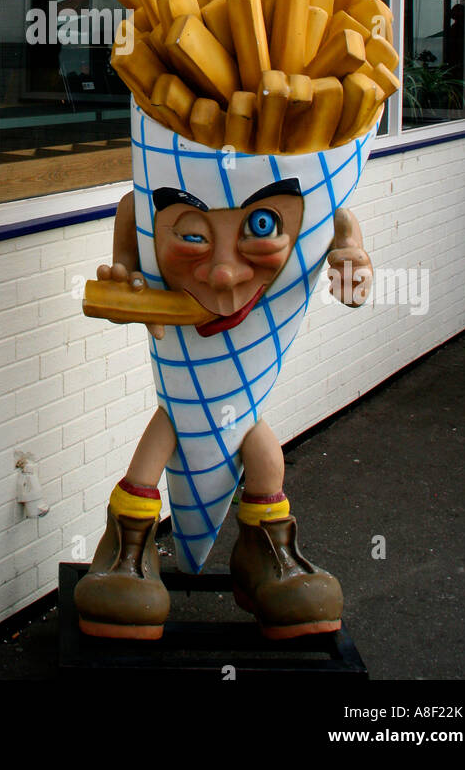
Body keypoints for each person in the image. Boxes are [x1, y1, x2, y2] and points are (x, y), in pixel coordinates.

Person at [74, 178, 372, 641]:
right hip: (177, 392)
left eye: (261, 224)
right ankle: (126, 545)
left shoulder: (320, 208)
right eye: (191, 235)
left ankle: (265, 549)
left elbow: (340, 241)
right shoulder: (141, 205)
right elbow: (133, 216)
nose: (224, 276)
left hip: (246, 402)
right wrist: (124, 277)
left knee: (263, 453)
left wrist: (351, 258)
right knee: (170, 427)